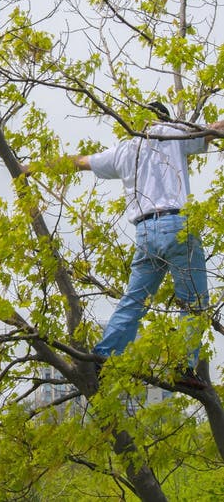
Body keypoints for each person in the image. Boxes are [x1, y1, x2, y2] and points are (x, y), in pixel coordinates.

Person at [52, 102, 224, 388]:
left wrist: (30, 167)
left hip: (145, 232)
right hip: (177, 226)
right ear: (166, 118)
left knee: (134, 300)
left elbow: (80, 161)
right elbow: (216, 131)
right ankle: (184, 367)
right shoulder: (175, 134)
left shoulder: (125, 148)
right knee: (193, 302)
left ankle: (103, 355)